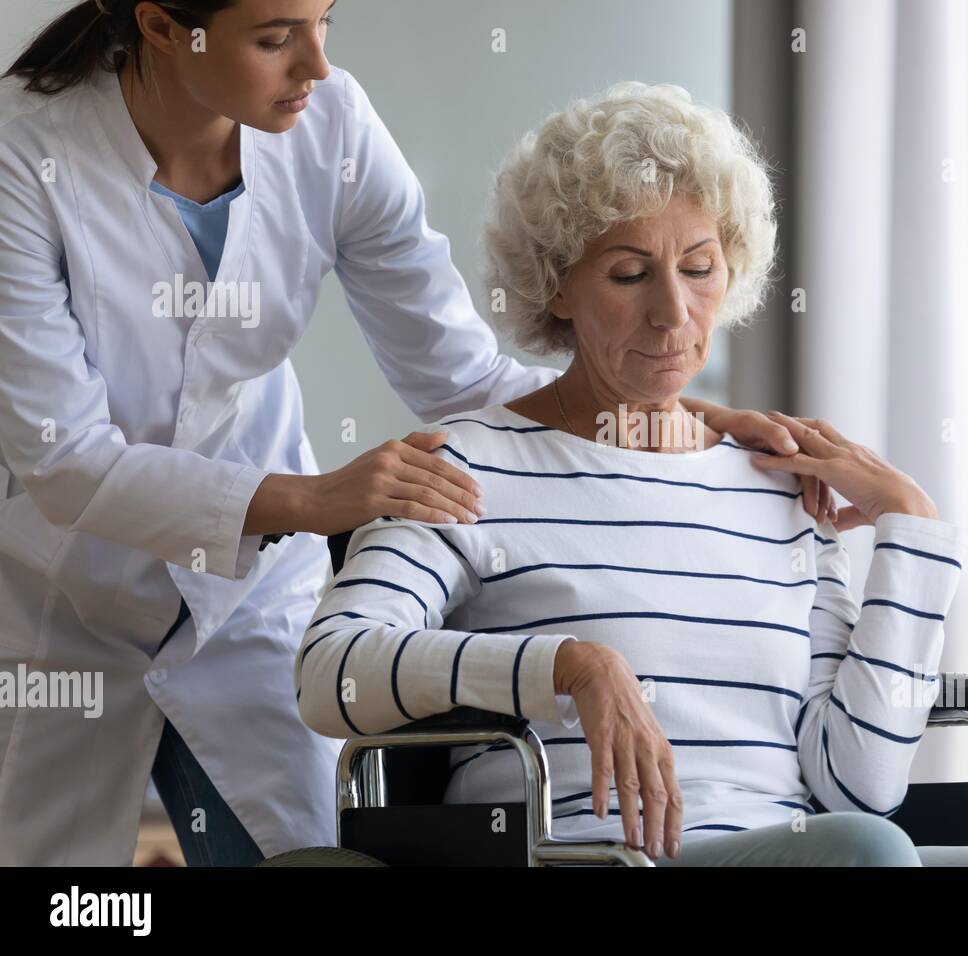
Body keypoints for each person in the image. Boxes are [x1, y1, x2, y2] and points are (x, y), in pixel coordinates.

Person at [0, 2, 814, 866]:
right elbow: (63, 456)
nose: (316, 65)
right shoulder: (23, 153)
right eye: (277, 38)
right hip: (61, 589)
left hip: (248, 598)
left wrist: (664, 415)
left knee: (299, 851)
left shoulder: (333, 124)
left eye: (325, 21)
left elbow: (459, 376)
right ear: (164, 26)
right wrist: (314, 501)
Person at [297, 81, 968, 866]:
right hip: (594, 856)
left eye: (699, 268)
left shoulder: (778, 489)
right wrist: (568, 666)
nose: (673, 313)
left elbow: (861, 788)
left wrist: (911, 525)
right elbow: (331, 673)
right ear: (557, 287)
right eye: (629, 274)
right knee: (867, 856)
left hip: (807, 850)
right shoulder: (465, 465)